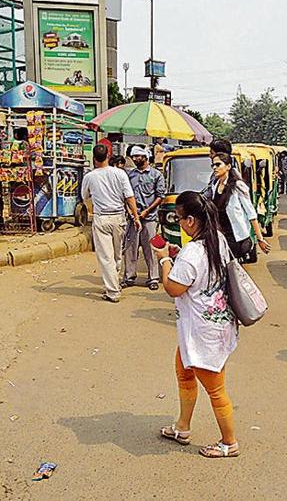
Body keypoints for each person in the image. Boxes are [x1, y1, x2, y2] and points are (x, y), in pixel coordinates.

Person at [152, 191, 239, 458]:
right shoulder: (216, 239)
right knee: (184, 372)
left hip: (203, 332)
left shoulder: (193, 252)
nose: (178, 223)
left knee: (215, 389)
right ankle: (183, 427)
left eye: (179, 218)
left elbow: (173, 288)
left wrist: (164, 259)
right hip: (209, 327)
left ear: (190, 220)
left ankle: (229, 443)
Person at [81, 144, 141, 303]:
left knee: (106, 257)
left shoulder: (90, 177)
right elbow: (129, 197)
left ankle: (113, 291)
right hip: (119, 218)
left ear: (94, 159)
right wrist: (136, 217)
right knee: (116, 254)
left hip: (101, 218)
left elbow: (84, 196)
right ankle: (115, 284)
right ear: (108, 156)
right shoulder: (120, 173)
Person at [209, 152, 271, 259]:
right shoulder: (215, 185)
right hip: (220, 236)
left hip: (237, 238)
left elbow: (251, 214)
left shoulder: (238, 186)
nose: (215, 168)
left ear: (228, 166)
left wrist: (260, 239)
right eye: (213, 165)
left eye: (218, 164)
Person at [122, 145, 166, 290]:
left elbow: (160, 196)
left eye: (137, 156)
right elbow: (126, 196)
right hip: (133, 218)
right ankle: (129, 277)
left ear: (145, 157)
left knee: (151, 249)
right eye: (133, 157)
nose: (135, 159)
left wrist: (147, 211)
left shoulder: (156, 175)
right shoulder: (130, 175)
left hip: (149, 218)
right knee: (130, 248)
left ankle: (153, 278)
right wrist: (131, 213)